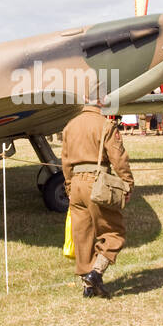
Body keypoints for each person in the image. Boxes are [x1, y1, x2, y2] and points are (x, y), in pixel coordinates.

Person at [61, 98, 134, 297]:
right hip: (97, 182)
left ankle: (88, 287)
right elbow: (118, 159)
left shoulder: (70, 126)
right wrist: (128, 183)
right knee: (114, 232)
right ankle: (96, 273)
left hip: (75, 184)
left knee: (82, 236)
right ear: (101, 101)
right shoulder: (106, 125)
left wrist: (69, 187)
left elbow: (65, 161)